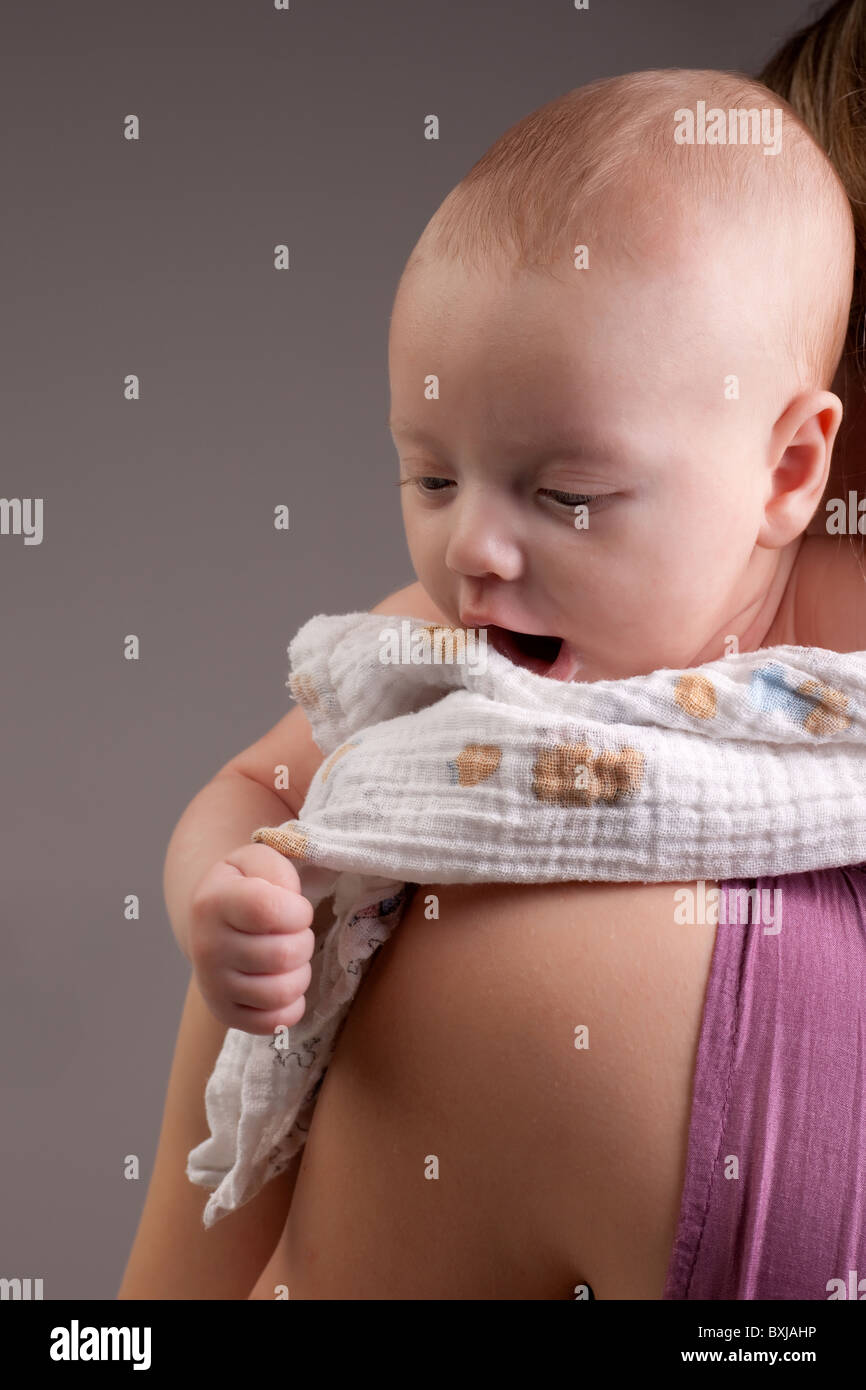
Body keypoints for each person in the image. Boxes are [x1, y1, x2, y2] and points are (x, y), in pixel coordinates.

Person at [119, 32, 866, 1301]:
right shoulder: (442, 640)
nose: (472, 547)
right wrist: (222, 898)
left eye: (564, 492)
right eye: (430, 475)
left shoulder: (812, 664)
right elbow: (255, 784)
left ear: (788, 473)